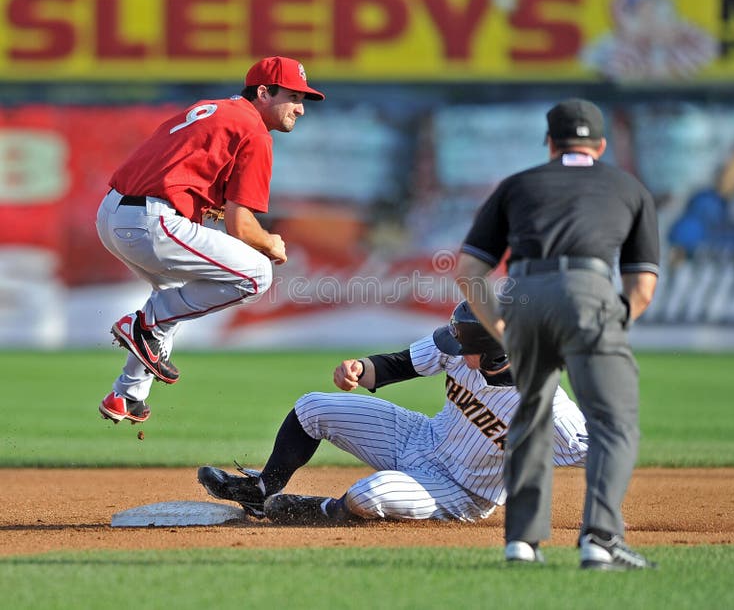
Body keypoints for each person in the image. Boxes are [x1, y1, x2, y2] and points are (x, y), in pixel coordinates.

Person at [455, 98, 660, 570]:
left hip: (525, 295)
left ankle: (522, 544)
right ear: (601, 145)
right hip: (590, 292)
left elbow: (469, 271)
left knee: (531, 416)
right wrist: (614, 322)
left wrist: (500, 327)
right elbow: (642, 285)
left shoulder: (517, 185)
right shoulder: (628, 188)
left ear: (550, 143)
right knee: (612, 421)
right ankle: (600, 540)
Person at [197, 301, 588, 525]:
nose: (453, 348)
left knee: (371, 494)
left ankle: (319, 511)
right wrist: (359, 368)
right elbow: (401, 364)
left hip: (461, 492)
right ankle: (261, 490)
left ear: (496, 355)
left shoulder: (547, 409)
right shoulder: (462, 350)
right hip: (421, 437)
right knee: (312, 407)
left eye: (464, 345)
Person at [96, 56, 324, 424]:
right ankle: (143, 325)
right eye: (294, 96)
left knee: (174, 294)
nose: (300, 108)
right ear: (264, 92)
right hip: (148, 221)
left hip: (112, 213)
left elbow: (177, 169)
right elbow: (241, 227)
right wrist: (271, 243)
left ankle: (127, 395)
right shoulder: (254, 131)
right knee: (257, 274)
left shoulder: (214, 108)